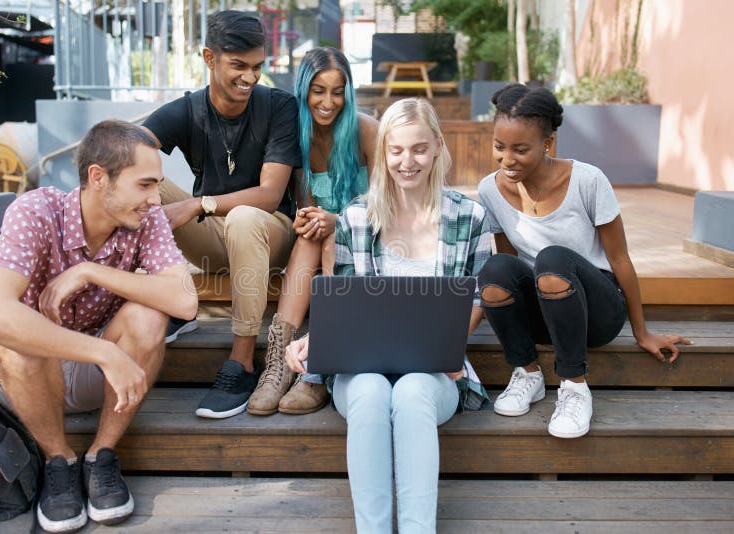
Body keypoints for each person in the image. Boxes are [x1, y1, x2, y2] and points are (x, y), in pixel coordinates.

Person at [0, 120, 198, 533]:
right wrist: (105, 352)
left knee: (149, 316)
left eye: (157, 186)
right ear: (98, 177)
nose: (155, 199)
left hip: (94, 376)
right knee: (14, 338)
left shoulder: (146, 221)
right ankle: (58, 462)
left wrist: (90, 271)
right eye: (144, 185)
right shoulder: (37, 210)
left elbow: (184, 300)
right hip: (23, 375)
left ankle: (101, 456)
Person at [285, 98, 492, 532]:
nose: (407, 161)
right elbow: (343, 302)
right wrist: (315, 340)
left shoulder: (469, 217)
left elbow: (476, 299)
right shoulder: (357, 217)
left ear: (437, 146)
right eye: (396, 150)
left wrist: (450, 349)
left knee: (413, 392)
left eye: (418, 148)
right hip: (362, 372)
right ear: (383, 154)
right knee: (372, 392)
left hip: (437, 374)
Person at [477, 83, 691, 439]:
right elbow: (510, 265)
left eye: (520, 149)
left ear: (548, 143)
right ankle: (527, 374)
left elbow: (620, 259)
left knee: (552, 258)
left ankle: (574, 386)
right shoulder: (490, 189)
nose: (507, 159)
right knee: (495, 270)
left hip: (596, 312)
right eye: (499, 147)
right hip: (548, 313)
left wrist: (642, 332)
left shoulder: (588, 181)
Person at [142, 10, 301, 419]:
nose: (249, 77)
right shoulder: (188, 110)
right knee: (144, 186)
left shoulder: (279, 106)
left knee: (245, 217)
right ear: (209, 58)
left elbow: (269, 195)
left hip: (272, 234)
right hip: (214, 242)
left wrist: (199, 203)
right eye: (238, 66)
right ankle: (166, 300)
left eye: (257, 67)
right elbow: (129, 148)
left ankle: (242, 361)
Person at [246, 46, 378, 416]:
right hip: (320, 243)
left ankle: (318, 366)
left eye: (338, 91)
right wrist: (310, 219)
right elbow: (305, 204)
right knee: (310, 234)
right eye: (318, 90)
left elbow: (392, 205)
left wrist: (338, 221)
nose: (328, 101)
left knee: (328, 232)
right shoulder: (299, 137)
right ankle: (278, 365)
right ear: (304, 89)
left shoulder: (367, 131)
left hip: (371, 240)